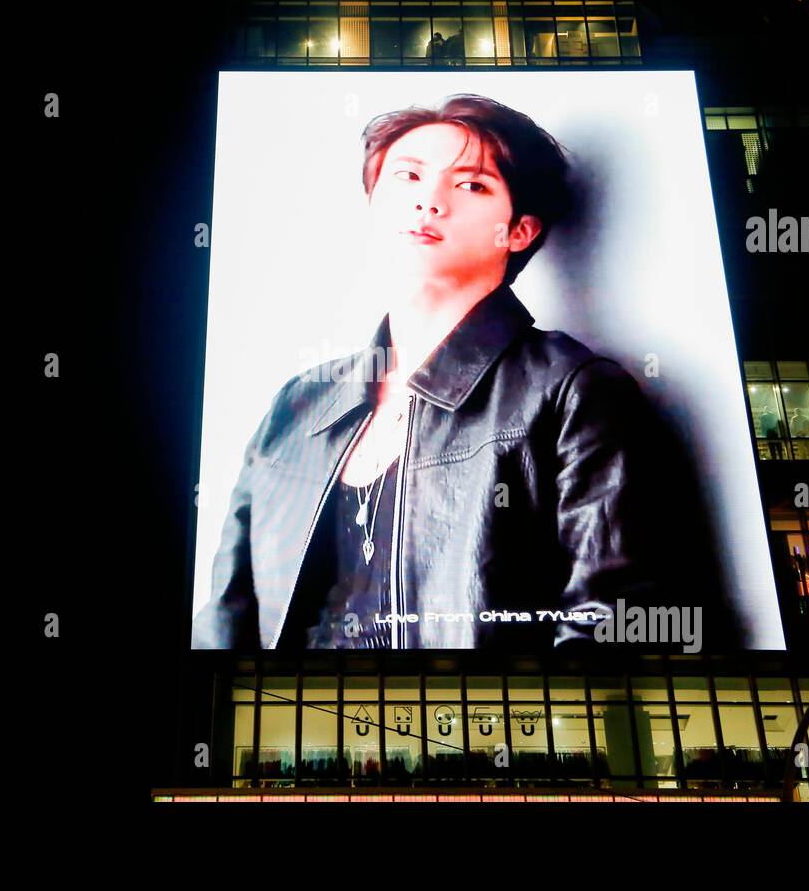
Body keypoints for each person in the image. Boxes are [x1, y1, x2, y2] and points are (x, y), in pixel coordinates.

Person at [193, 93, 669, 651]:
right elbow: (225, 619)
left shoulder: (571, 389)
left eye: (471, 185)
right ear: (373, 203)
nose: (428, 201)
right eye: (408, 176)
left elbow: (610, 617)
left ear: (519, 231)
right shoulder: (298, 403)